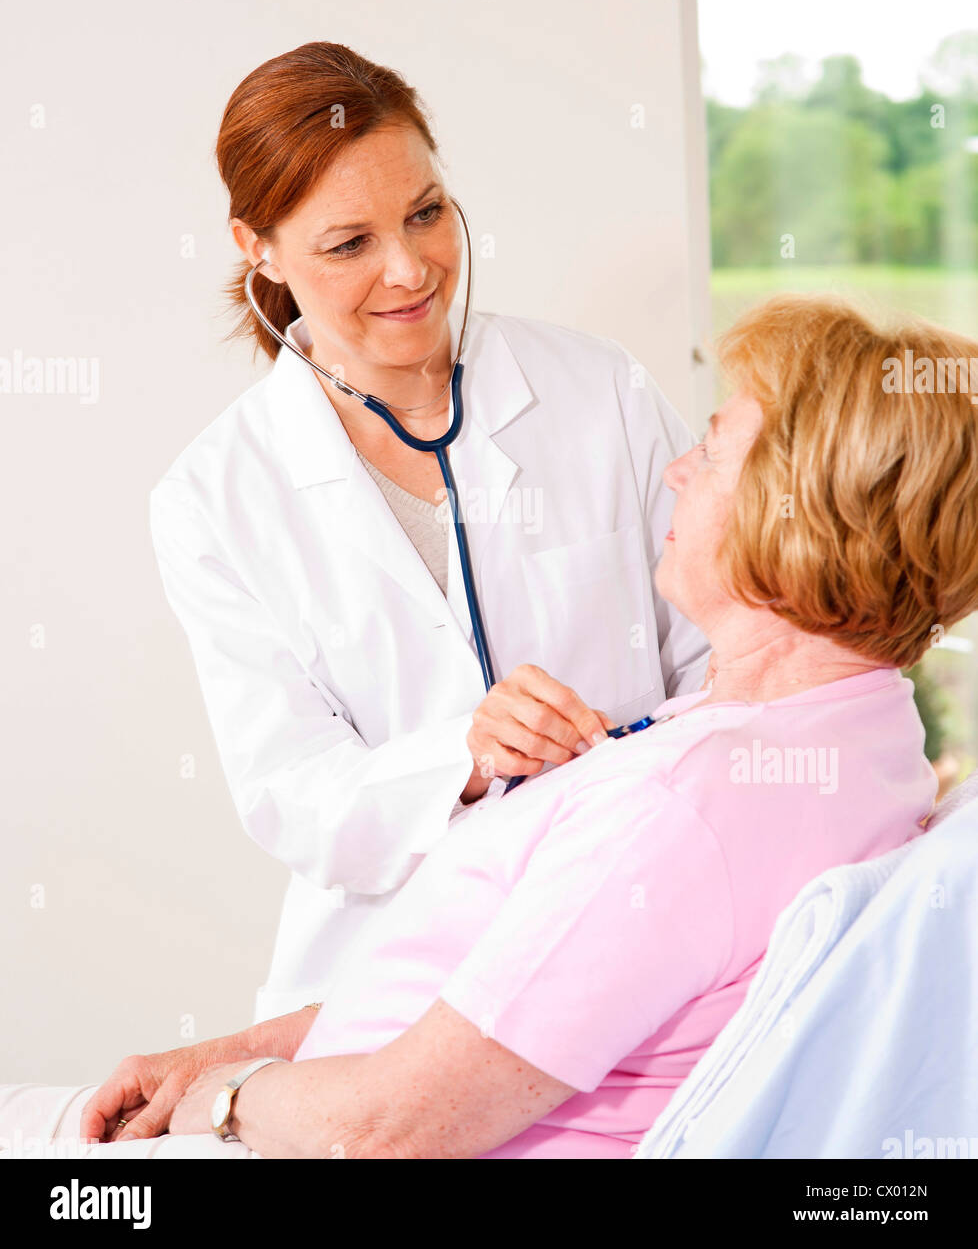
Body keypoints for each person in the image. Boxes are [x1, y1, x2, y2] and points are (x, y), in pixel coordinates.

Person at [4, 292, 975, 1159]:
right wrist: (237, 1054)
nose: (678, 470)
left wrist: (222, 1098)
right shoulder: (864, 738)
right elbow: (475, 978)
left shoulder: (687, 809)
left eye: (715, 446)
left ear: (797, 521)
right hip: (322, 1079)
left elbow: (386, 1131)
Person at [148, 41, 711, 1021]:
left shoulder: (600, 392)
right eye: (347, 243)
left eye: (425, 213)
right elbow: (294, 796)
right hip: (390, 989)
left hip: (631, 943)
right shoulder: (214, 500)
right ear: (259, 248)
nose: (410, 269)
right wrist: (467, 751)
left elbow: (722, 650)